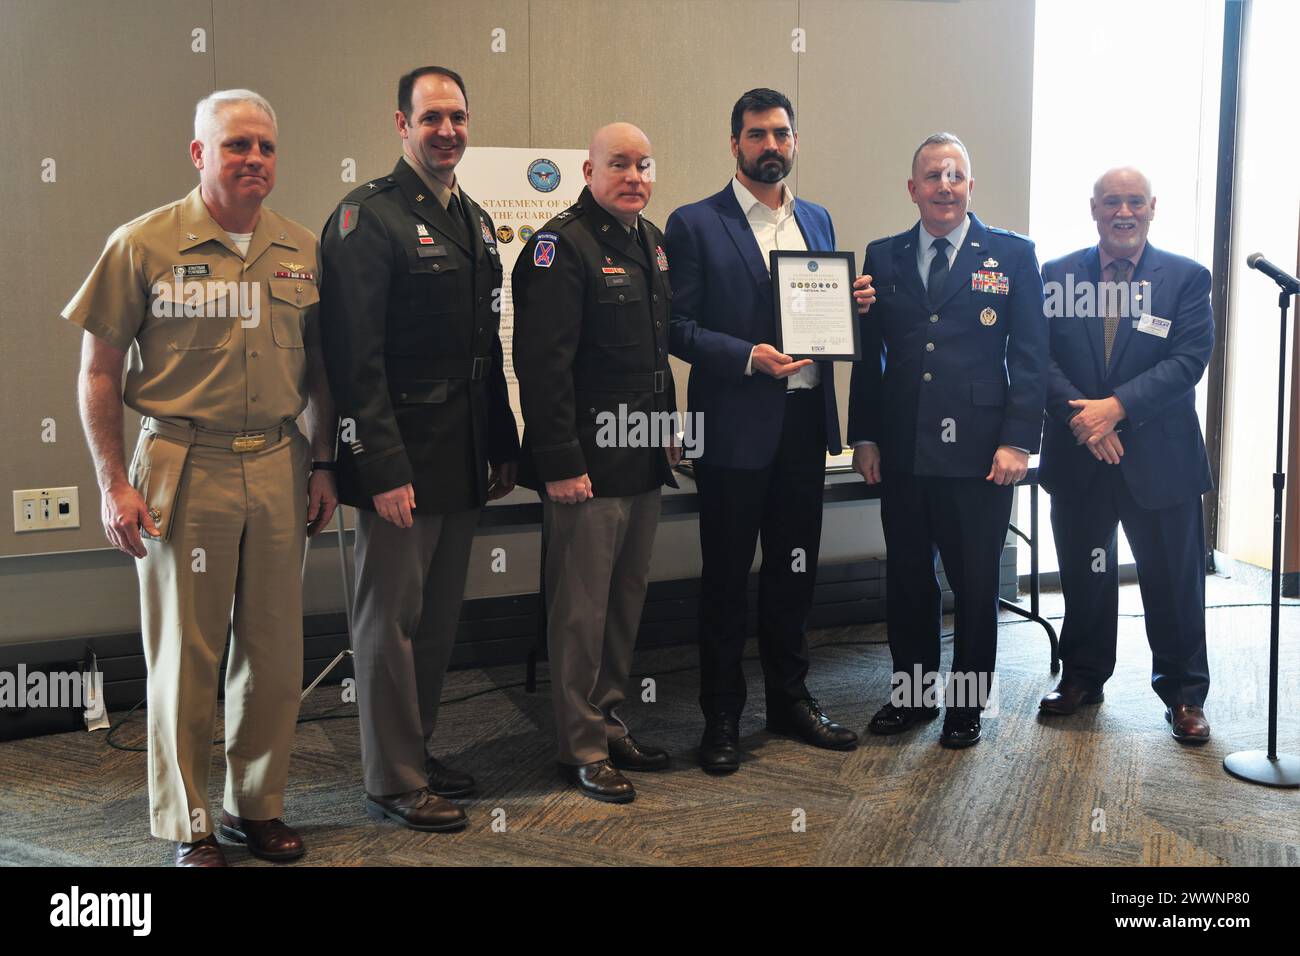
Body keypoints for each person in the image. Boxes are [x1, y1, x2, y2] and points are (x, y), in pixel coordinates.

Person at [63, 90, 337, 866]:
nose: (254, 159)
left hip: (280, 462)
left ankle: (258, 805)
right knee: (186, 657)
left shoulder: (300, 248)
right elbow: (97, 372)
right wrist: (114, 482)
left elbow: (319, 369)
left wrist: (323, 463)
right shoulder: (142, 243)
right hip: (184, 465)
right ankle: (188, 824)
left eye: (266, 147)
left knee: (276, 653)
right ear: (199, 154)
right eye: (235, 145)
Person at [319, 66, 519, 830]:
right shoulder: (367, 218)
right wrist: (379, 468)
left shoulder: (469, 217)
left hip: (461, 458)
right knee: (389, 625)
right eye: (431, 117)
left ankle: (417, 749)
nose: (447, 131)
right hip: (397, 460)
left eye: (458, 117)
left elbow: (483, 351)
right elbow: (353, 359)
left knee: (434, 624)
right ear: (400, 124)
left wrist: (502, 445)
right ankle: (393, 781)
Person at [666, 88, 871, 774]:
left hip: (805, 426)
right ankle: (722, 715)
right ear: (734, 144)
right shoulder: (695, 223)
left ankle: (790, 699)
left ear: (794, 141)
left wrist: (852, 303)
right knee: (725, 578)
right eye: (757, 135)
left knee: (794, 572)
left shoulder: (816, 217)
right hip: (731, 429)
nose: (771, 145)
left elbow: (822, 314)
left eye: (782, 133)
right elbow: (678, 327)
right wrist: (747, 356)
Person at [848, 132, 1047, 749]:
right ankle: (912, 697)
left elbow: (1033, 357)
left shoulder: (1012, 255)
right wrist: (866, 437)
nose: (944, 186)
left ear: (970, 186)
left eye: (955, 175)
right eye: (932, 176)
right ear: (913, 190)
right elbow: (871, 357)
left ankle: (966, 704)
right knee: (908, 579)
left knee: (975, 582)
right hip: (905, 450)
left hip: (981, 456)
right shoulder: (884, 256)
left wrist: (1018, 441)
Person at [512, 123, 676, 803]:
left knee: (621, 605)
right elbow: (541, 366)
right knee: (579, 612)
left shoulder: (652, 241)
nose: (633, 175)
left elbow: (654, 351)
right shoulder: (559, 247)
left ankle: (607, 721)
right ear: (587, 169)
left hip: (640, 459)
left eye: (643, 164)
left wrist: (667, 431)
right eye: (619, 164)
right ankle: (578, 747)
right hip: (585, 465)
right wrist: (559, 461)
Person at [1037, 167, 1213, 743]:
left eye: (1135, 202)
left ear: (1152, 208)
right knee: (1085, 574)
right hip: (1081, 454)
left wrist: (1115, 408)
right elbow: (1038, 359)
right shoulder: (1057, 274)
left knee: (1174, 581)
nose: (1124, 212)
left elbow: (1187, 360)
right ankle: (1083, 674)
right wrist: (1083, 420)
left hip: (1161, 459)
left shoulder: (1186, 278)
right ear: (1094, 209)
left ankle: (1185, 694)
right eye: (1112, 202)